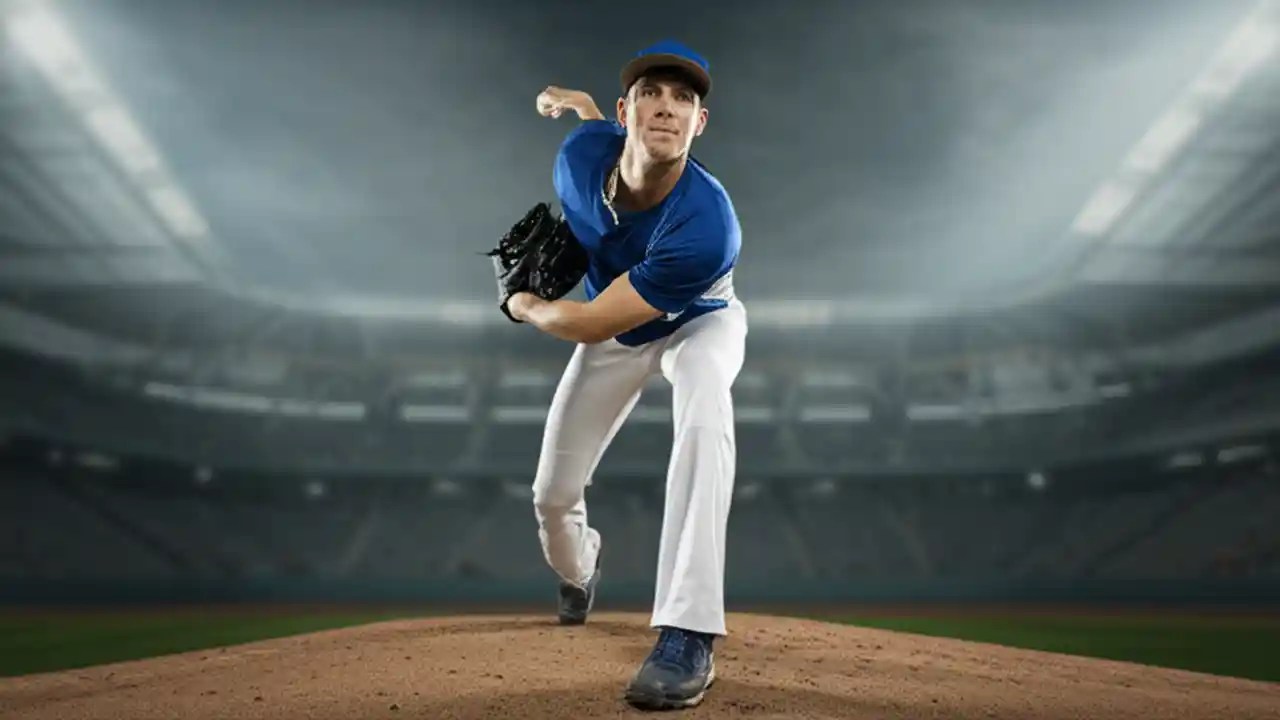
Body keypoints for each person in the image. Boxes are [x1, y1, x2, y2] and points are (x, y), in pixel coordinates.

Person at [503, 40, 746, 710]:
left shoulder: (708, 225)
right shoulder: (578, 159)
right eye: (651, 94)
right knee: (551, 495)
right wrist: (571, 102)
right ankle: (580, 571)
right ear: (626, 110)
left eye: (683, 99)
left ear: (699, 124)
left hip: (698, 321)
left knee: (703, 407)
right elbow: (589, 125)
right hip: (619, 327)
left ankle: (688, 632)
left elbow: (584, 324)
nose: (666, 107)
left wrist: (523, 303)